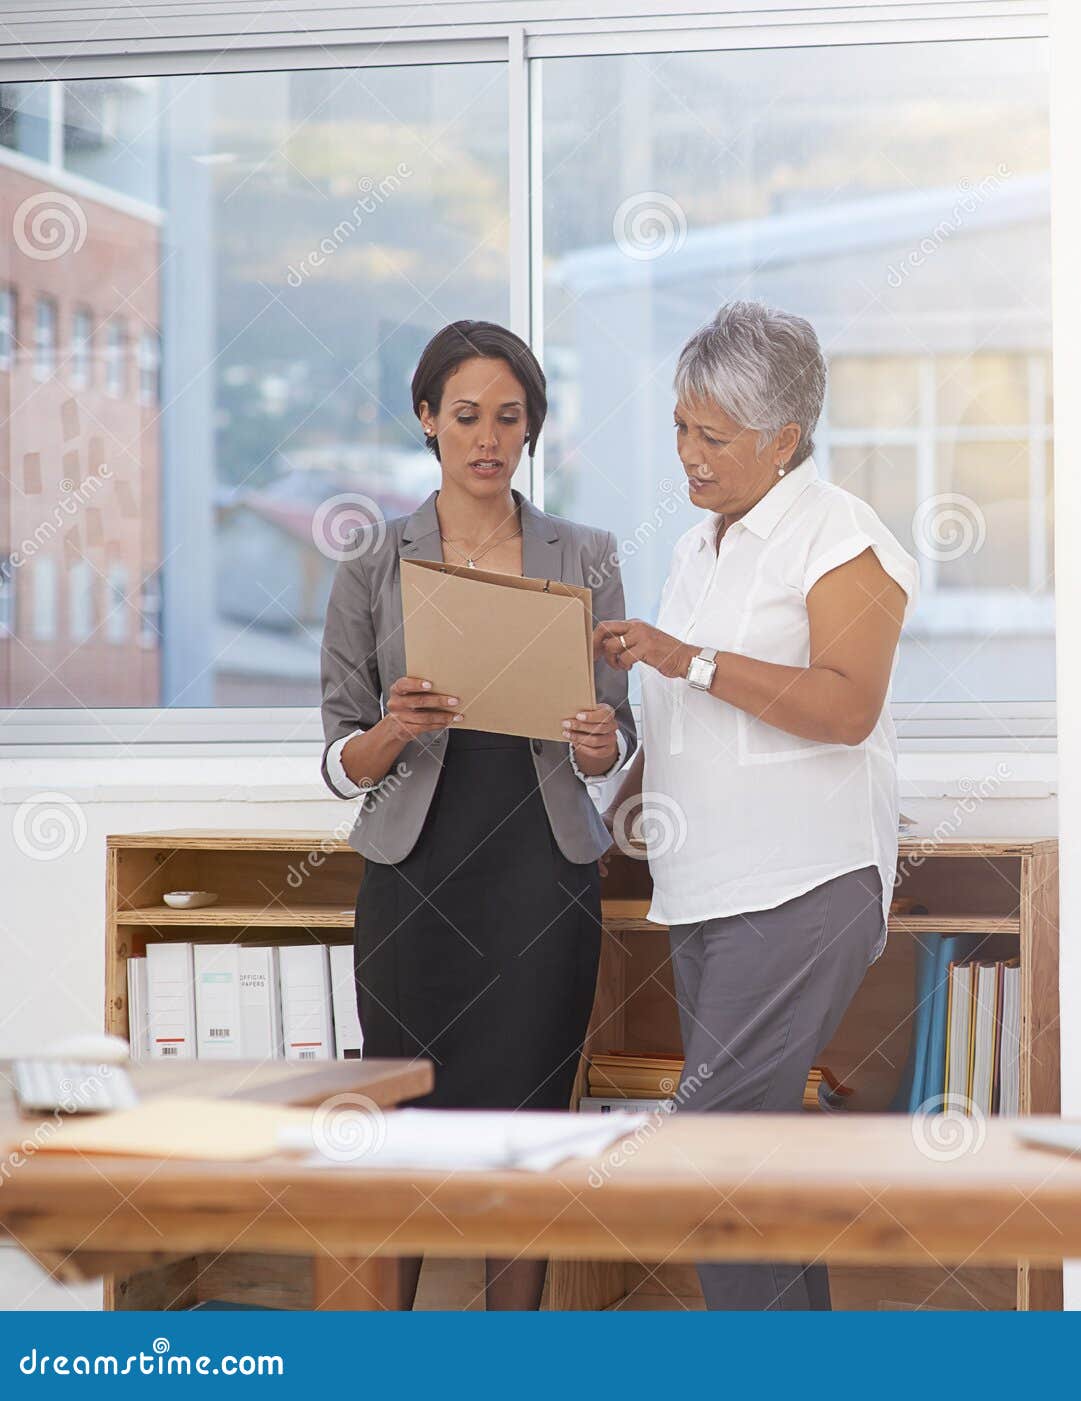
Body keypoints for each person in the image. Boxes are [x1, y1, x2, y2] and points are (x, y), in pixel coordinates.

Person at [597, 300, 918, 1310]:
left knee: (715, 1154)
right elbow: (691, 712)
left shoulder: (838, 534)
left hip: (801, 884)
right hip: (704, 892)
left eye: (714, 436)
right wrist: (621, 782)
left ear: (783, 439)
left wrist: (686, 658)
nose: (689, 456)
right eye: (682, 431)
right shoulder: (701, 549)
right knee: (747, 1161)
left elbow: (845, 705)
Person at [318, 319, 634, 1310]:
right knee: (407, 1126)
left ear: (532, 428)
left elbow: (614, 735)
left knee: (527, 1133)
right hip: (416, 877)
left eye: (510, 417)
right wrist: (392, 731)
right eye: (466, 417)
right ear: (427, 419)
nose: (489, 438)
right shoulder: (373, 562)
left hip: (540, 877)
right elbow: (336, 757)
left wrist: (598, 746)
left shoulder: (584, 554)